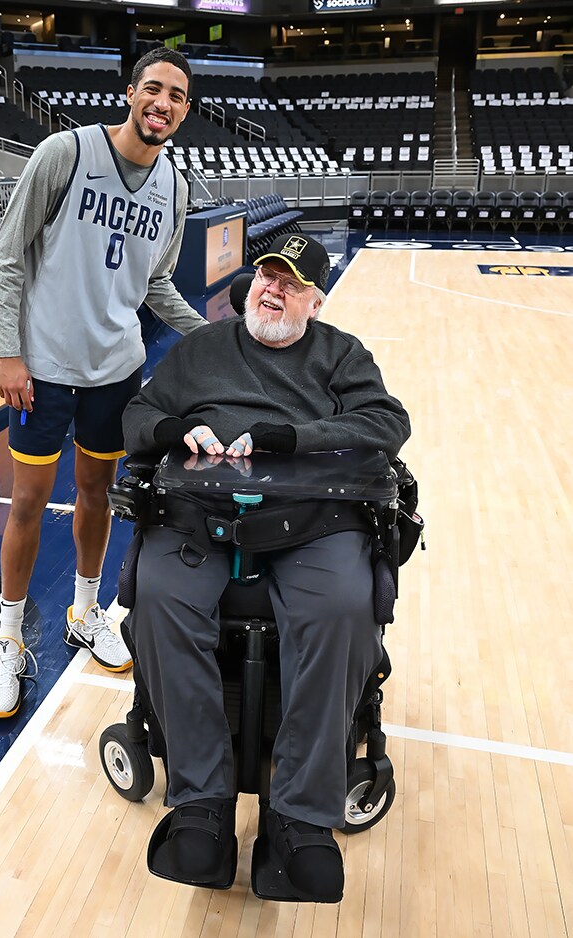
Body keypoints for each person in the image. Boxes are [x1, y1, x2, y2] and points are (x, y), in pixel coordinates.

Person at [121, 233, 411, 900]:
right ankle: (202, 804)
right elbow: (142, 412)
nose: (272, 289)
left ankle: (299, 817)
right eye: (266, 277)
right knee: (161, 595)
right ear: (248, 285)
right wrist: (173, 432)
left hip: (313, 517)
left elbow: (386, 423)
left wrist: (296, 439)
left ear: (313, 301)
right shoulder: (200, 351)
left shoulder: (342, 355)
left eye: (290, 283)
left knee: (341, 606)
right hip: (201, 512)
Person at [0, 48, 207, 720]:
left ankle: (85, 611)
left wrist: (217, 339)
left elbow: (157, 283)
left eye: (177, 97)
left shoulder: (174, 185)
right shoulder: (66, 152)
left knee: (96, 495)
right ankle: (10, 637)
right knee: (27, 502)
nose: (162, 104)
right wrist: (9, 353)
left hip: (115, 371)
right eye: (154, 89)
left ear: (186, 111)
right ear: (131, 92)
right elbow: (8, 256)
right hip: (43, 370)